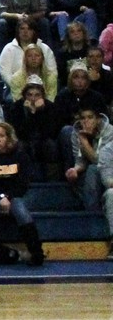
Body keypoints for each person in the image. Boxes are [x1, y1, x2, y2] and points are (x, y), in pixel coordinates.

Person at [0, 122, 45, 266]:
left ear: (9, 138)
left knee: (20, 208)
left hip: (13, 197)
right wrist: (0, 197)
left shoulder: (20, 156)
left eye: (1, 136)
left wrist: (8, 197)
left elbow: (23, 183)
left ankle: (37, 253)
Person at [61, 107, 113, 259]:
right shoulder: (77, 132)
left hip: (103, 173)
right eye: (83, 118)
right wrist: (75, 170)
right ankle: (92, 210)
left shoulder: (109, 133)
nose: (86, 121)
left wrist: (84, 141)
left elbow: (100, 161)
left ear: (98, 119)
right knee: (90, 171)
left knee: (93, 169)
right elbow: (82, 160)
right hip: (102, 178)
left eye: (90, 117)